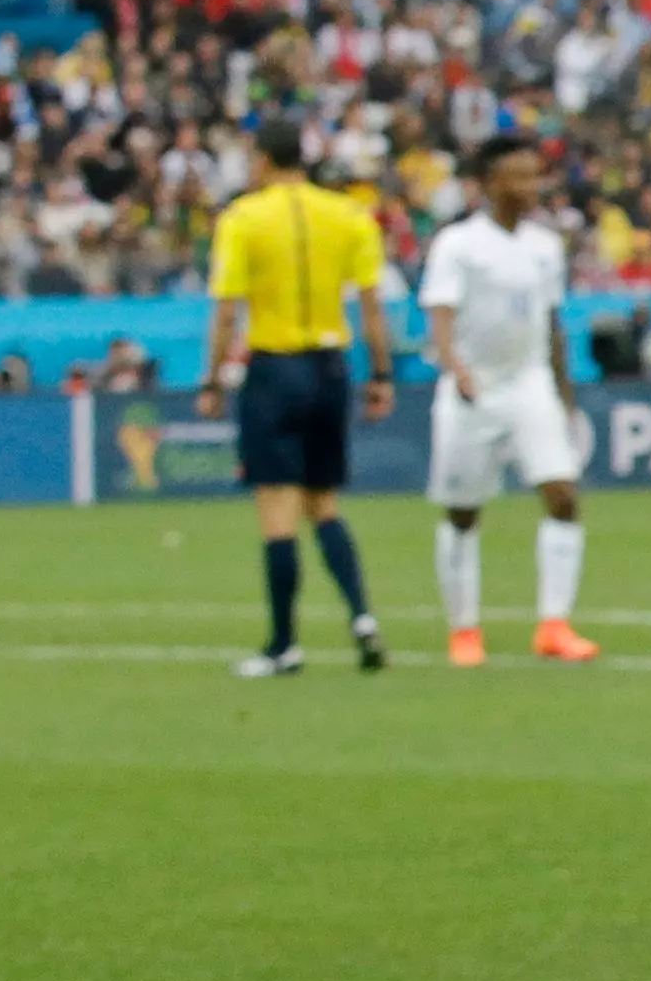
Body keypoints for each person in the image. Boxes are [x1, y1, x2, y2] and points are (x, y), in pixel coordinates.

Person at [201, 114, 395, 676]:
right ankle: (361, 616)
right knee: (325, 505)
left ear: (262, 159)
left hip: (274, 368)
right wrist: (380, 375)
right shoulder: (349, 216)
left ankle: (284, 644)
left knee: (277, 511)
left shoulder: (243, 219)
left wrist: (212, 380)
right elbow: (372, 305)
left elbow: (226, 312)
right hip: (331, 368)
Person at [421, 133, 598, 666]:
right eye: (517, 176)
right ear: (490, 184)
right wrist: (455, 366)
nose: (529, 187)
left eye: (533, 176)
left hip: (529, 384)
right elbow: (441, 313)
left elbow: (552, 324)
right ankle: (464, 631)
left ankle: (554, 625)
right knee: (463, 513)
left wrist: (564, 396)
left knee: (563, 495)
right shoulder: (458, 244)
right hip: (473, 387)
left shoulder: (545, 247)